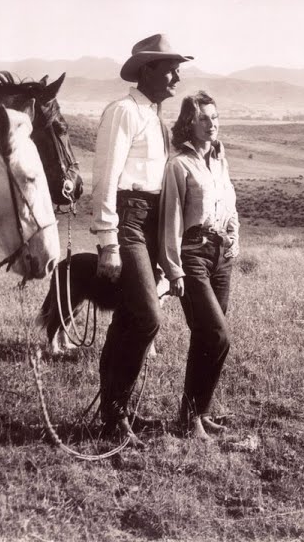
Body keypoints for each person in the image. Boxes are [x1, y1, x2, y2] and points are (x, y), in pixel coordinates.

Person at [90, 33, 190, 445]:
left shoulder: (156, 118)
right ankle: (114, 414)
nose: (177, 78)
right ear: (148, 69)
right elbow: (105, 177)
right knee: (148, 317)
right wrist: (109, 241)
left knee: (131, 317)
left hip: (150, 223)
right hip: (128, 219)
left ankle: (115, 414)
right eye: (171, 69)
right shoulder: (123, 112)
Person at [160, 91, 240, 440]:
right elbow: (171, 220)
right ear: (189, 124)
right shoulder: (179, 165)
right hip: (192, 253)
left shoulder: (220, 160)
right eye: (204, 118)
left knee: (205, 338)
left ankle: (196, 416)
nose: (212, 124)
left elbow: (229, 203)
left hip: (221, 255)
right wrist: (173, 268)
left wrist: (235, 234)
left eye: (215, 117)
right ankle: (190, 418)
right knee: (217, 335)